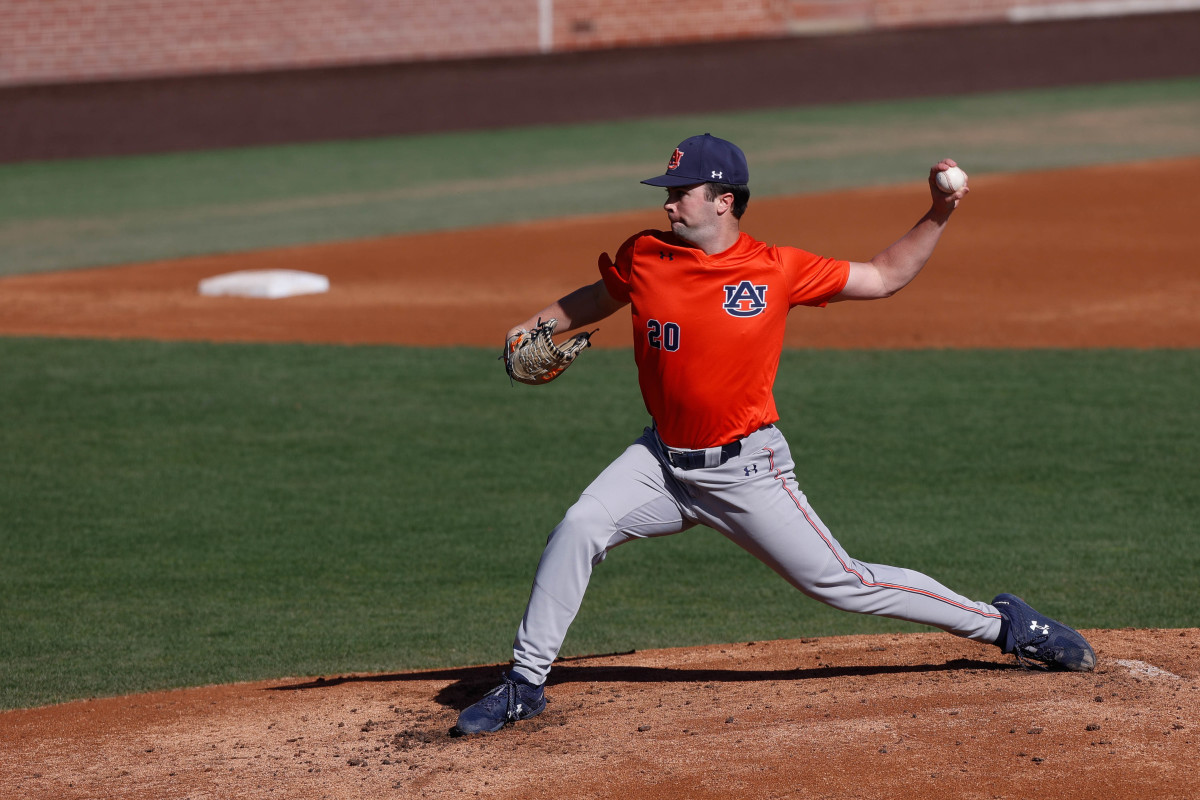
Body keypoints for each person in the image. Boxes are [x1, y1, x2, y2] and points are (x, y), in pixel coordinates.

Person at [456, 133, 1096, 735]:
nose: (669, 201)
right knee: (578, 526)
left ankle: (1008, 626)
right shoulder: (646, 253)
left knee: (844, 584)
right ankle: (524, 684)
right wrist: (535, 324)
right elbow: (599, 296)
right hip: (659, 461)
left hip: (746, 470)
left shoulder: (776, 270)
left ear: (722, 200)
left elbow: (882, 276)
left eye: (681, 191)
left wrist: (938, 211)